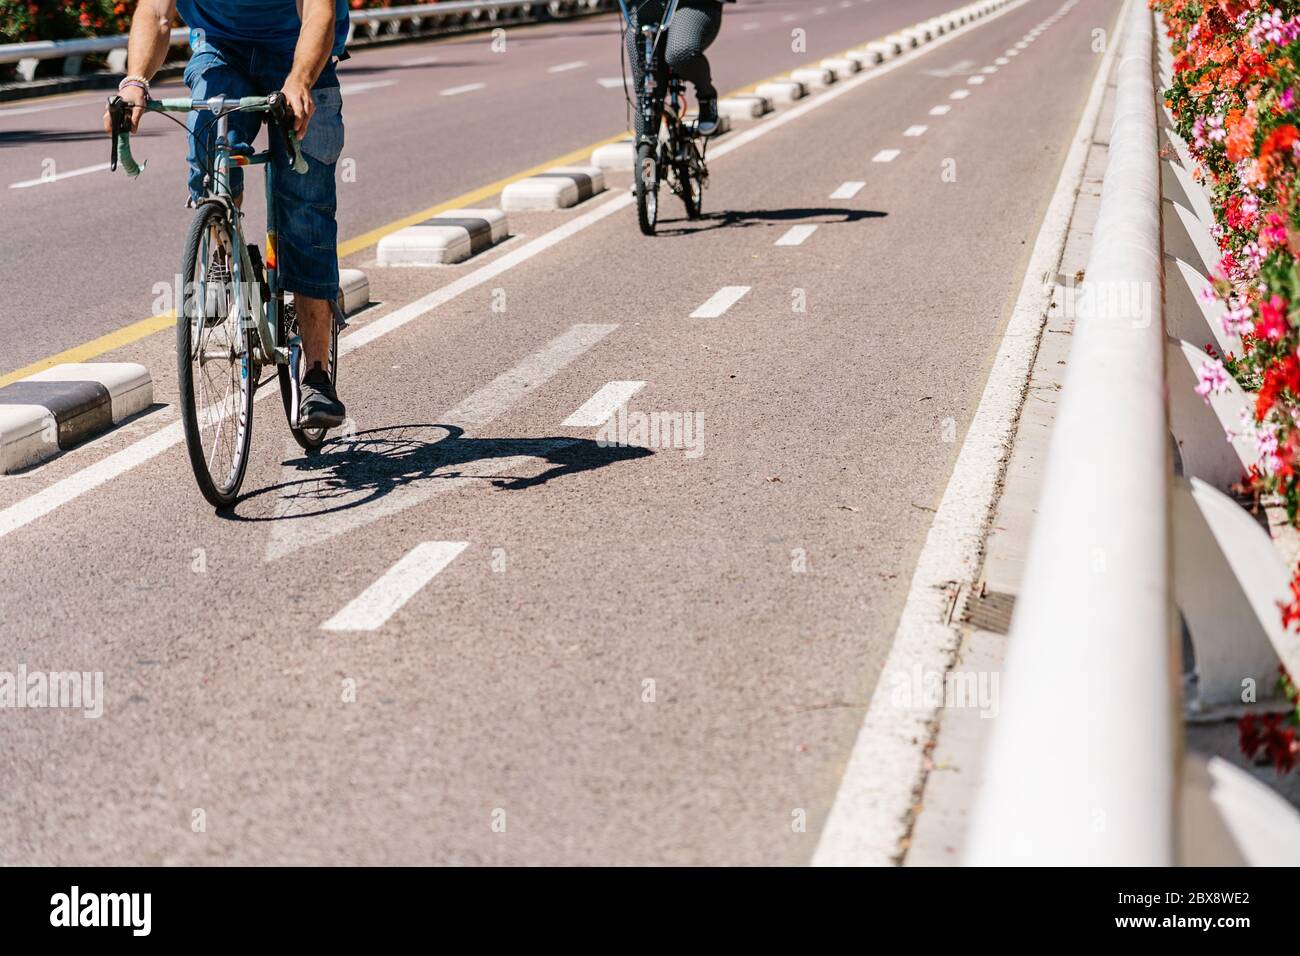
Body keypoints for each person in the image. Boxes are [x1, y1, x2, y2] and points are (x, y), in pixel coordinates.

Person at [103, 0, 349, 428]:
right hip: (222, 52)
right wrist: (134, 81)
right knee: (210, 160)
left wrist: (299, 81)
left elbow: (318, 12)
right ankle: (224, 248)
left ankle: (316, 375)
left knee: (305, 211)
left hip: (302, 52)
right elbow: (156, 13)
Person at [626, 0, 731, 137]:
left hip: (690, 4)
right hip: (646, 5)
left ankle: (706, 95)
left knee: (679, 52)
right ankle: (645, 152)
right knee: (646, 92)